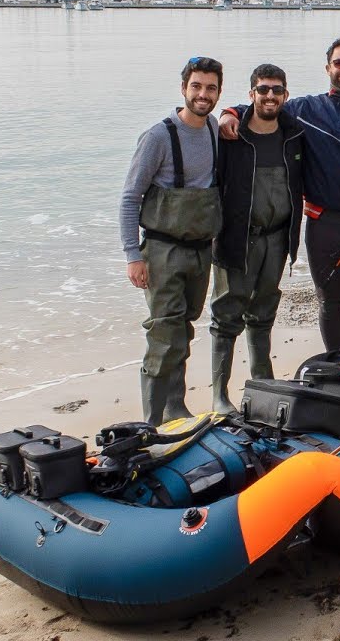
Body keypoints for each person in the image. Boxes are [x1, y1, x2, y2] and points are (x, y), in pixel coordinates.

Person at [220, 37, 340, 352]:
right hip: (324, 224)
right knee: (331, 302)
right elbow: (263, 107)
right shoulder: (304, 110)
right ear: (328, 68)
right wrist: (230, 112)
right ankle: (337, 366)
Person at [120, 56, 224, 425]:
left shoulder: (214, 126)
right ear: (184, 89)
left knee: (185, 328)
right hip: (162, 251)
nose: (203, 94)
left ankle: (175, 408)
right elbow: (130, 197)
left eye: (210, 88)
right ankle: (152, 420)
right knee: (164, 334)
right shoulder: (157, 137)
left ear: (218, 92)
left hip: (200, 250)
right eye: (196, 86)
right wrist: (133, 254)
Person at [208, 64, 304, 414]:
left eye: (276, 90)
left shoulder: (294, 133)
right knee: (226, 315)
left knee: (263, 312)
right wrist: (226, 113)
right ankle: (219, 394)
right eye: (262, 89)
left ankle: (262, 382)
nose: (269, 96)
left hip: (278, 239)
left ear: (285, 96)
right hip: (236, 239)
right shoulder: (231, 135)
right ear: (251, 94)